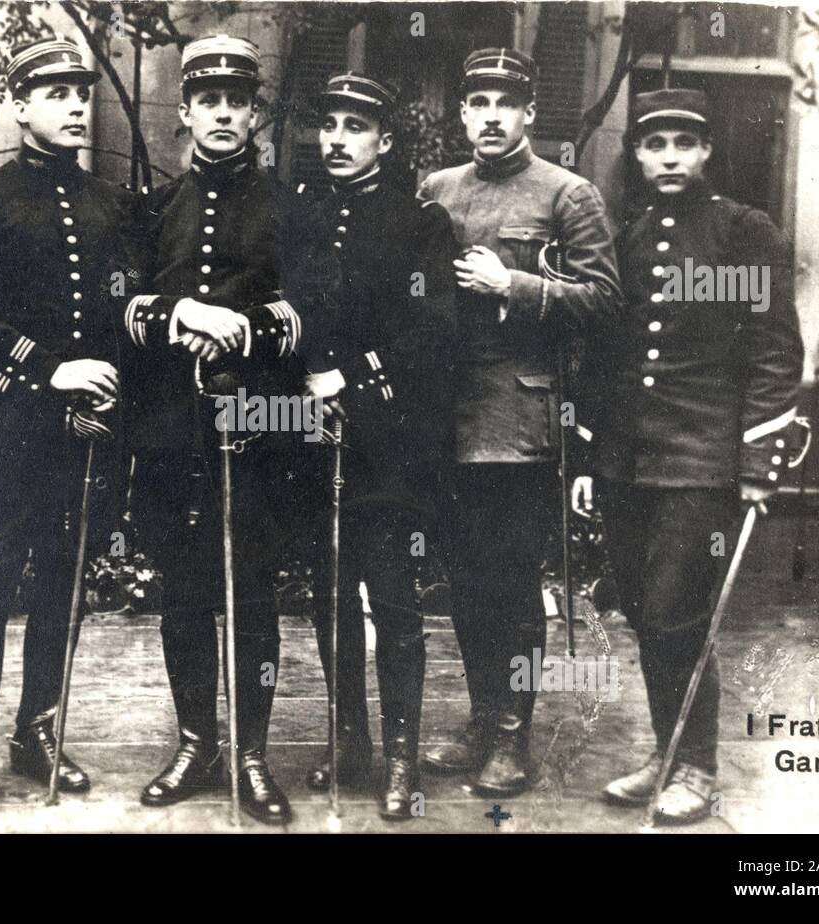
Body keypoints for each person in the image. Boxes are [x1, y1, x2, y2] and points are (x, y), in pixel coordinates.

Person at [572, 88, 803, 824]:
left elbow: (772, 348)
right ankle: (665, 754)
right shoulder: (629, 237)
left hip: (702, 457)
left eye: (684, 143)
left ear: (706, 151)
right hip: (627, 459)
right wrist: (589, 457)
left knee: (678, 611)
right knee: (644, 613)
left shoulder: (744, 233)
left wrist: (760, 456)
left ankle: (697, 765)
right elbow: (607, 356)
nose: (668, 156)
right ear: (636, 155)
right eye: (653, 144)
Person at [0, 35, 133, 827]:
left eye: (82, 92)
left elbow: (120, 314)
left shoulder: (113, 204)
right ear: (17, 105)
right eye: (55, 92)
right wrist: (49, 368)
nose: (76, 105)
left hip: (83, 432)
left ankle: (36, 735)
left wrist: (108, 384)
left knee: (64, 582)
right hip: (2, 430)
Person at [123, 34, 334, 825]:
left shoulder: (293, 210)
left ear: (255, 115)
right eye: (206, 100)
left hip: (263, 432)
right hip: (175, 434)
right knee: (183, 590)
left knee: (252, 593)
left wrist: (242, 326)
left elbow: (315, 309)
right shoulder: (155, 209)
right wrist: (179, 314)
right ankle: (193, 743)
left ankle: (250, 752)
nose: (221, 113)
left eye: (235, 101)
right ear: (183, 113)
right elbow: (127, 307)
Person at [417, 48, 621, 797]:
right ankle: (480, 718)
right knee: (465, 580)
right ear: (463, 113)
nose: (492, 115)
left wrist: (519, 284)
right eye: (479, 102)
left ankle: (513, 736)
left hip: (519, 419)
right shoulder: (435, 190)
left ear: (530, 113)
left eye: (507, 102)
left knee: (510, 581)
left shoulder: (568, 195)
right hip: (445, 414)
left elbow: (604, 299)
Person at [298, 72, 457, 819]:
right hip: (312, 436)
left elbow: (431, 333)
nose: (336, 139)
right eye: (328, 124)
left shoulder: (419, 223)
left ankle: (401, 759)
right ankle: (348, 740)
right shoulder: (302, 217)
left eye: (355, 126)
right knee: (329, 595)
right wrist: (306, 379)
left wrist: (351, 378)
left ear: (385, 141)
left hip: (389, 442)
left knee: (392, 600)